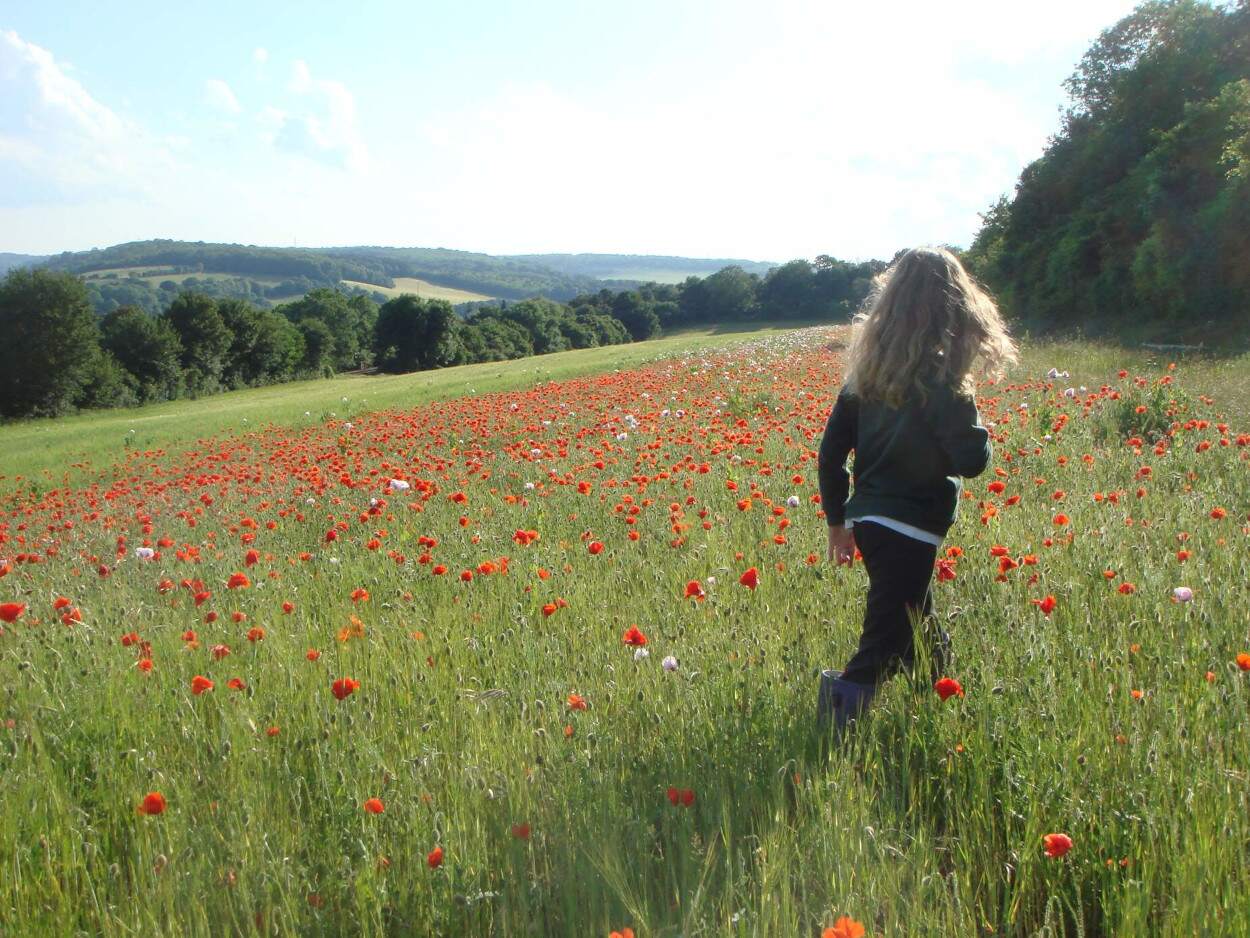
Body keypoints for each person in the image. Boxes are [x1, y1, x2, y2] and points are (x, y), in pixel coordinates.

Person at [815, 246, 1017, 733]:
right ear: (955, 307)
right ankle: (832, 732)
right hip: (911, 527)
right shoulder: (942, 380)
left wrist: (838, 524)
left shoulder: (865, 377)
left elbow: (829, 454)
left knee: (918, 622)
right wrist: (977, 426)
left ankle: (944, 707)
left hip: (871, 522)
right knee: (880, 642)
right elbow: (972, 463)